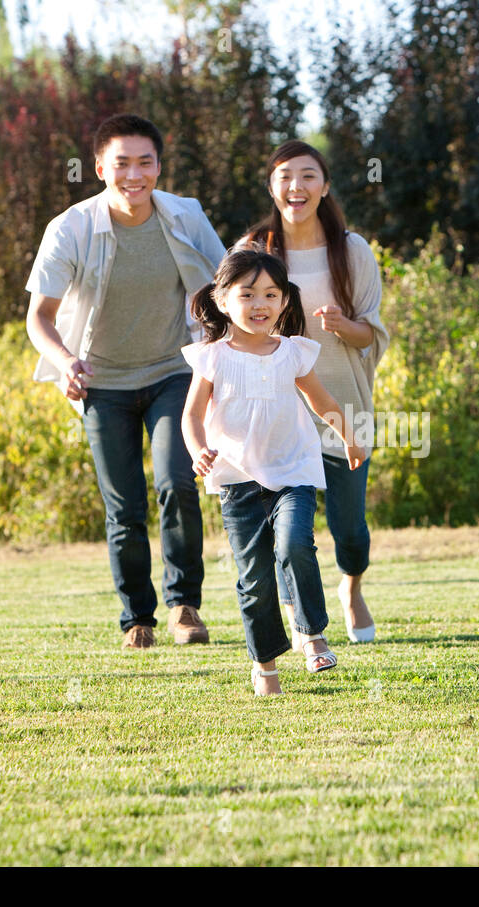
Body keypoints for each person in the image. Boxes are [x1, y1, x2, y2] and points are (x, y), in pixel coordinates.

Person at [25, 114, 225, 649]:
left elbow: (224, 283)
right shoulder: (70, 228)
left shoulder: (185, 215)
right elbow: (38, 317)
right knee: (124, 506)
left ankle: (185, 606)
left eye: (145, 162)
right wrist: (66, 361)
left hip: (173, 372)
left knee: (178, 483)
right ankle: (138, 616)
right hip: (101, 382)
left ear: (159, 166)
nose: (134, 175)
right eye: (121, 164)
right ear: (99, 168)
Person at [180, 247, 367, 696]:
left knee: (295, 543)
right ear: (222, 300)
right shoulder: (213, 357)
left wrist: (347, 435)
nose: (259, 304)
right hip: (237, 479)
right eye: (247, 294)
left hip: (294, 471)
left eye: (270, 294)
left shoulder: (295, 353)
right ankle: (264, 666)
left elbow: (321, 401)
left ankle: (313, 635)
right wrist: (198, 450)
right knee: (254, 577)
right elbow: (191, 415)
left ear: (285, 301)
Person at [239, 140, 389, 647]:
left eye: (308, 176)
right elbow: (230, 326)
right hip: (276, 409)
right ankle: (299, 614)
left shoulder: (353, 250)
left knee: (349, 526)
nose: (296, 187)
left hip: (347, 404)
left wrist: (345, 325)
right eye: (285, 176)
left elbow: (374, 334)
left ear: (324, 187)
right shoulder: (252, 250)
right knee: (287, 527)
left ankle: (351, 587)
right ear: (272, 186)